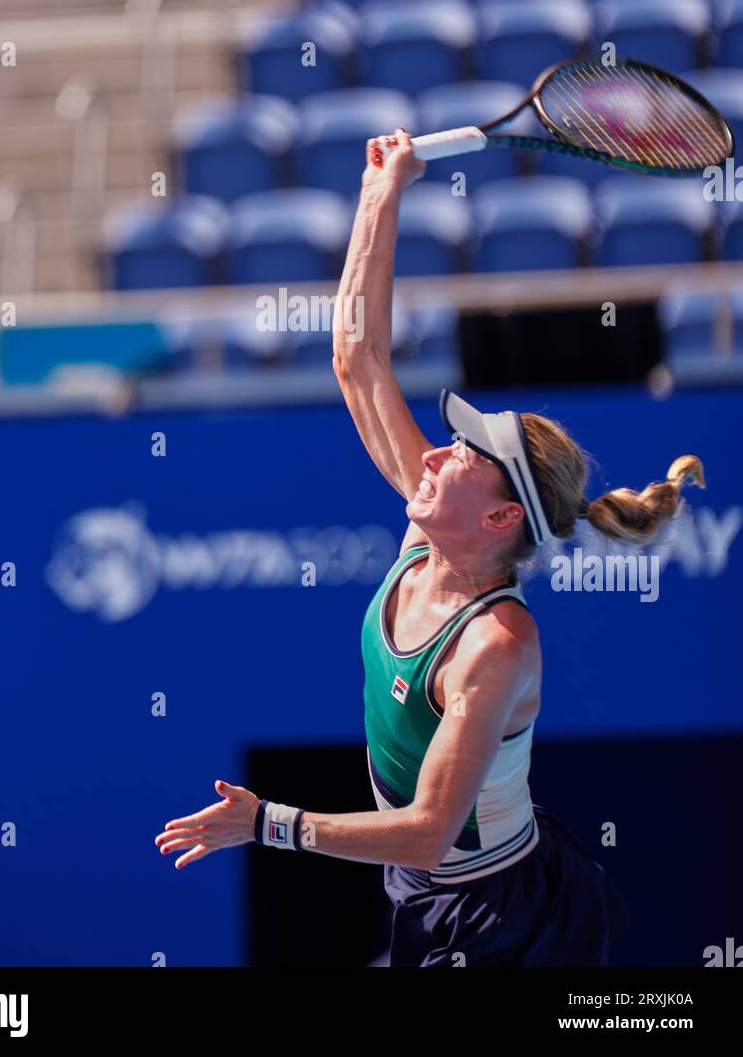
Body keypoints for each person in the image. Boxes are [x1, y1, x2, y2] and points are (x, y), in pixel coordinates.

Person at [154, 129, 704, 966]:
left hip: (496, 919)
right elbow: (356, 358)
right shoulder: (430, 525)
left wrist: (266, 823)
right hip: (433, 895)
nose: (437, 452)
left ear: (499, 519)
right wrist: (384, 190)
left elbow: (424, 832)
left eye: (464, 455)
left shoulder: (495, 644)